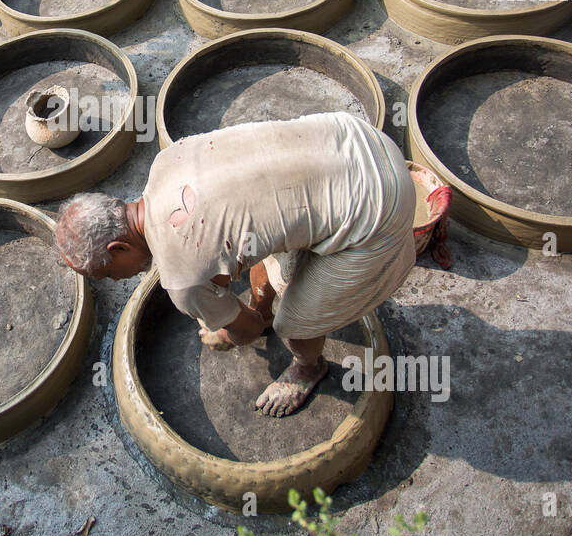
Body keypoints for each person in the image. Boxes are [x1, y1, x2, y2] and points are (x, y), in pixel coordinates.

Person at [55, 111, 416, 417]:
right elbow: (241, 229)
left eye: (108, 274)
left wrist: (225, 333)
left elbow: (248, 331)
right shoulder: (166, 160)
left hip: (381, 211)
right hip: (359, 136)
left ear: (118, 247)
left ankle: (309, 367)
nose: (118, 281)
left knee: (293, 323)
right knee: (268, 243)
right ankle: (275, 296)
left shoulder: (181, 278)